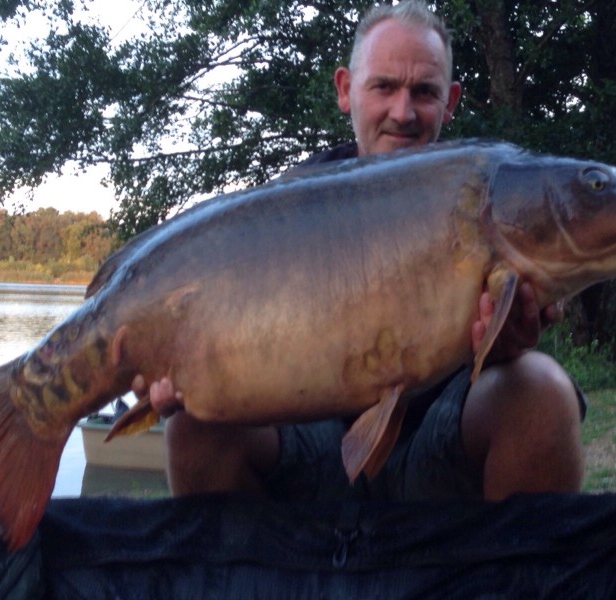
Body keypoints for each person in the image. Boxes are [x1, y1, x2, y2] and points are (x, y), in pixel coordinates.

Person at [133, 0, 585, 503]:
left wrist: (501, 348)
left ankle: (498, 555)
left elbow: (508, 343)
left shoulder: (487, 197)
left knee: (541, 389)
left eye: (424, 92)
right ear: (346, 89)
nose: (403, 112)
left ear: (451, 100)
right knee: (190, 423)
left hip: (438, 445)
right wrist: (172, 373)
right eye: (384, 87)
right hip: (307, 445)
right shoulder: (286, 208)